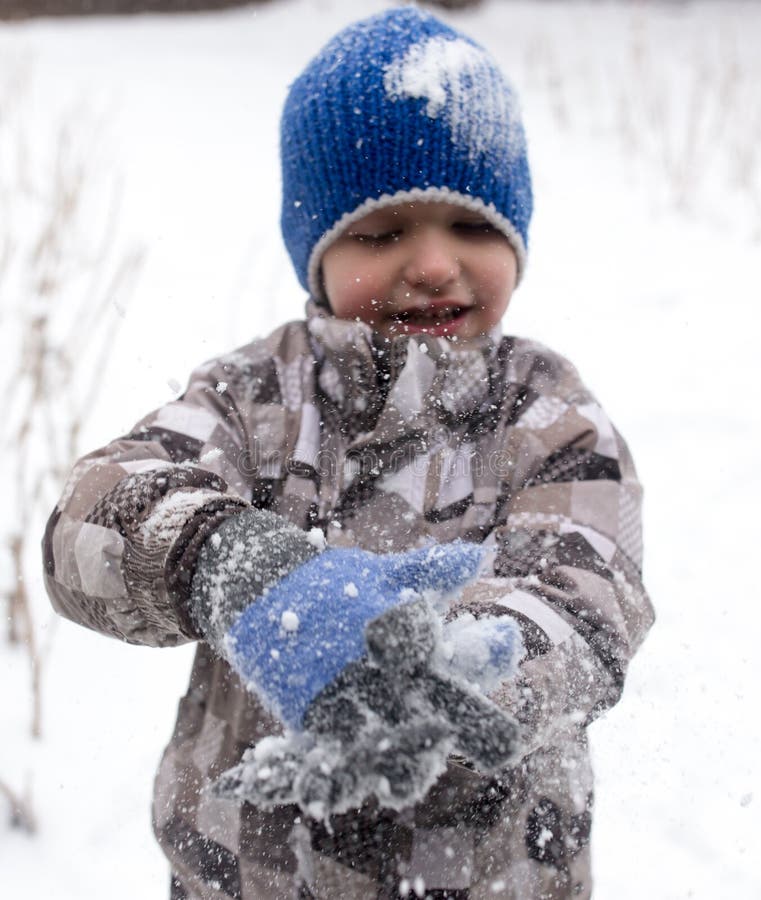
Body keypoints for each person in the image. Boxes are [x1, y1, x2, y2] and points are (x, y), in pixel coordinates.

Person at [42, 7, 654, 899]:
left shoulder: (549, 415)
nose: (435, 264)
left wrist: (470, 666)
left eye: (473, 228)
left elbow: (588, 588)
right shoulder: (255, 399)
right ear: (317, 251)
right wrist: (227, 561)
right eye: (380, 233)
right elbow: (88, 520)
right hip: (247, 878)